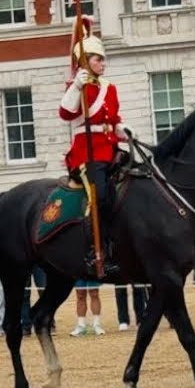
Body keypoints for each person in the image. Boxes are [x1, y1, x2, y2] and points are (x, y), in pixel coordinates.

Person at [59, 23, 127, 278]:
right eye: (98, 59)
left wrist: (124, 130)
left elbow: (113, 120)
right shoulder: (78, 85)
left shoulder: (110, 87)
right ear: (85, 61)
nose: (103, 63)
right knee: (100, 197)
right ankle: (93, 250)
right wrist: (76, 87)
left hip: (110, 150)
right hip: (87, 154)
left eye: (103, 59)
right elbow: (66, 113)